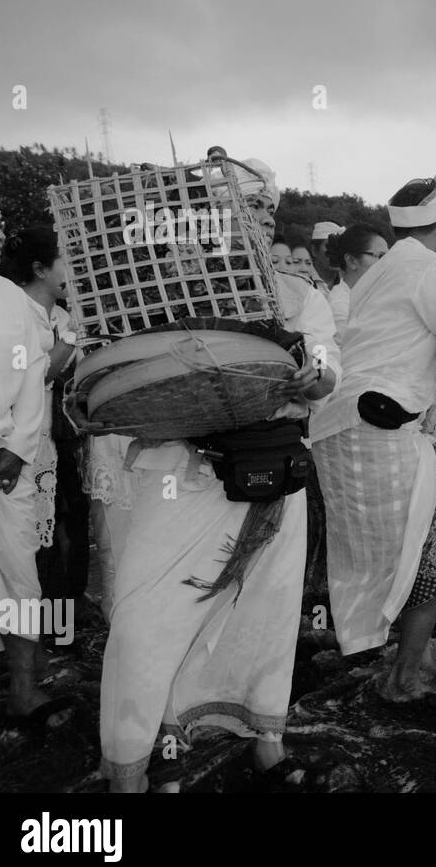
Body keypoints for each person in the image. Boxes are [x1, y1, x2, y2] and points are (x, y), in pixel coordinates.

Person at [95, 160, 341, 792]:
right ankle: (137, 766)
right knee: (147, 617)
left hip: (268, 470)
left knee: (267, 607)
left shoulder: (298, 293)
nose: (252, 221)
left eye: (262, 210)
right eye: (235, 208)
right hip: (178, 472)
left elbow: (326, 368)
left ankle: (266, 740)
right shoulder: (157, 289)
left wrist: (316, 379)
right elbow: (117, 377)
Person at [312, 175, 436, 699]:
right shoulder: (430, 267)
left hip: (338, 426)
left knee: (378, 552)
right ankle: (405, 678)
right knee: (431, 549)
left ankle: (395, 651)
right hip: (382, 427)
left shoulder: (381, 269)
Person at [0, 182, 59, 725]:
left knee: (20, 575)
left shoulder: (8, 296)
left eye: (0, 224)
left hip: (7, 470)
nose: (0, 233)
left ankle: (23, 689)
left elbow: (34, 377)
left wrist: (17, 452)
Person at [0, 228, 82, 623]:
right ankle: (33, 637)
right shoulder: (15, 311)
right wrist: (71, 336)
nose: (73, 270)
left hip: (60, 436)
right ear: (40, 269)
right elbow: (35, 375)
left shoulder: (63, 315)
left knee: (64, 531)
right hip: (21, 442)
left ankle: (62, 626)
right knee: (30, 539)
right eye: (65, 260)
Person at [324, 224, 390, 339]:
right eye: (380, 256)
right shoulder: (340, 307)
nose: (387, 264)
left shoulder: (373, 297)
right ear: (352, 261)